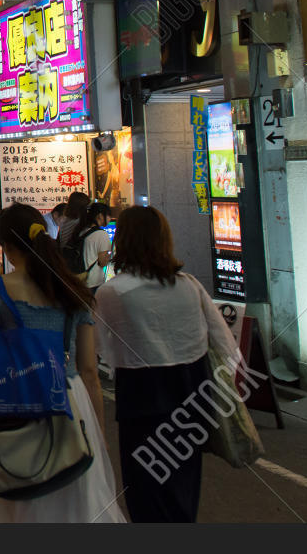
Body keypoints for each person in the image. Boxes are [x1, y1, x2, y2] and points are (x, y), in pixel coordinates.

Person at [0, 203, 123, 523]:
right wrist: (99, 433)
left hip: (18, 398)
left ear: (6, 247)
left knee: (18, 495)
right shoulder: (71, 289)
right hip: (70, 398)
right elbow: (89, 371)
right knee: (75, 503)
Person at [95, 205, 240, 523]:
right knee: (182, 493)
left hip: (142, 403)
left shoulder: (112, 292)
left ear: (124, 241)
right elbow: (227, 346)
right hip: (193, 398)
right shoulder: (189, 284)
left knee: (146, 497)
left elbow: (101, 352)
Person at [75, 201, 115, 290]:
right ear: (100, 216)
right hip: (93, 281)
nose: (110, 218)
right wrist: (110, 255)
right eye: (108, 215)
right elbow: (102, 263)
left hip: (80, 278)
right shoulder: (102, 234)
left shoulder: (82, 230)